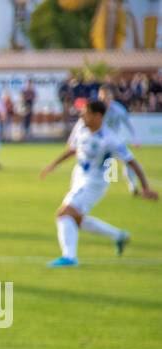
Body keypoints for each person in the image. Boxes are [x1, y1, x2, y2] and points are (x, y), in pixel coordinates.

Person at [40, 100, 156, 268]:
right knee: (76, 219)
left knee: (64, 214)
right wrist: (53, 165)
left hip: (95, 183)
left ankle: (70, 258)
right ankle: (119, 236)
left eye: (85, 113)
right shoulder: (82, 129)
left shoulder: (110, 139)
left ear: (98, 116)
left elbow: (132, 162)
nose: (82, 116)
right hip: (79, 178)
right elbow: (73, 150)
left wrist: (145, 188)